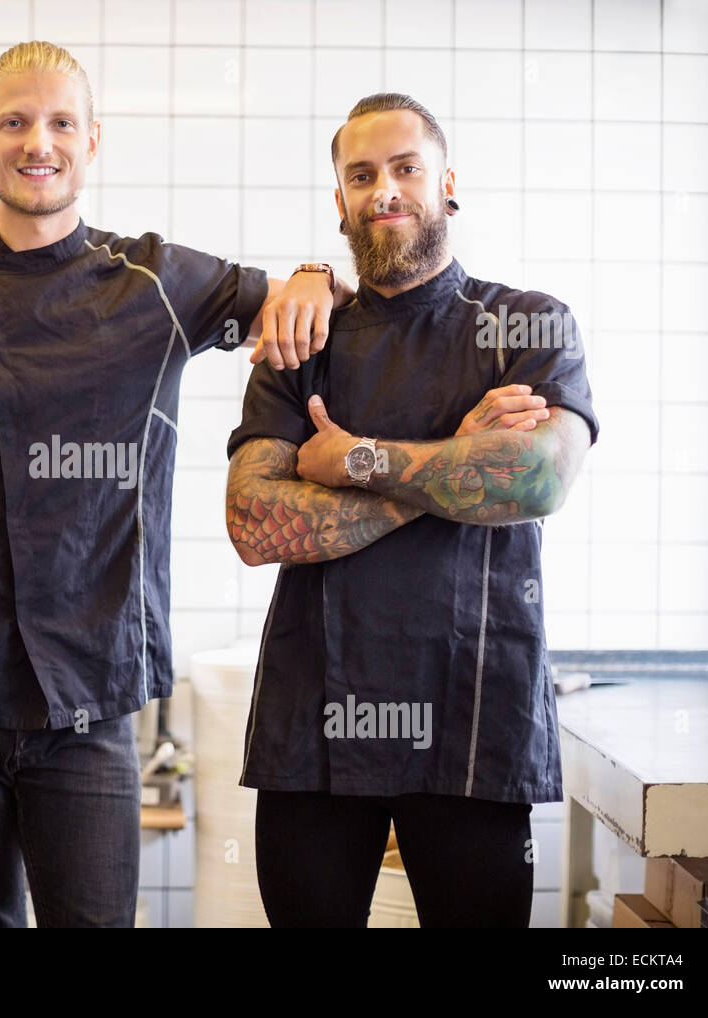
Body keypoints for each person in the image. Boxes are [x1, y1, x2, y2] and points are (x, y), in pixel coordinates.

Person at [0, 41, 346, 927]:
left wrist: (312, 269)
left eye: (59, 122)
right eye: (15, 121)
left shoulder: (155, 282)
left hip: (90, 693)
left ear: (92, 140)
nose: (37, 140)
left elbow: (300, 308)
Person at [226, 93, 598, 927]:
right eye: (362, 175)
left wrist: (356, 462)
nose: (384, 190)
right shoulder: (301, 346)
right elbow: (254, 523)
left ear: (447, 184)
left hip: (476, 719)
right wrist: (458, 465)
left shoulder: (529, 326)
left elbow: (538, 482)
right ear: (340, 202)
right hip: (312, 733)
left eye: (405, 168)